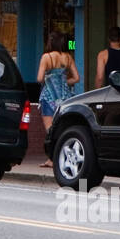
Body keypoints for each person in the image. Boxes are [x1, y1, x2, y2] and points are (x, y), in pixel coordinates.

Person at [37, 31, 80, 163]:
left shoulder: (46, 57)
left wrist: (50, 79)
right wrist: (63, 82)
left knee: (50, 130)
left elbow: (39, 78)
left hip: (49, 97)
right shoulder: (68, 57)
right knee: (63, 128)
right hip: (65, 97)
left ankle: (52, 159)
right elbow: (77, 78)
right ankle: (63, 157)